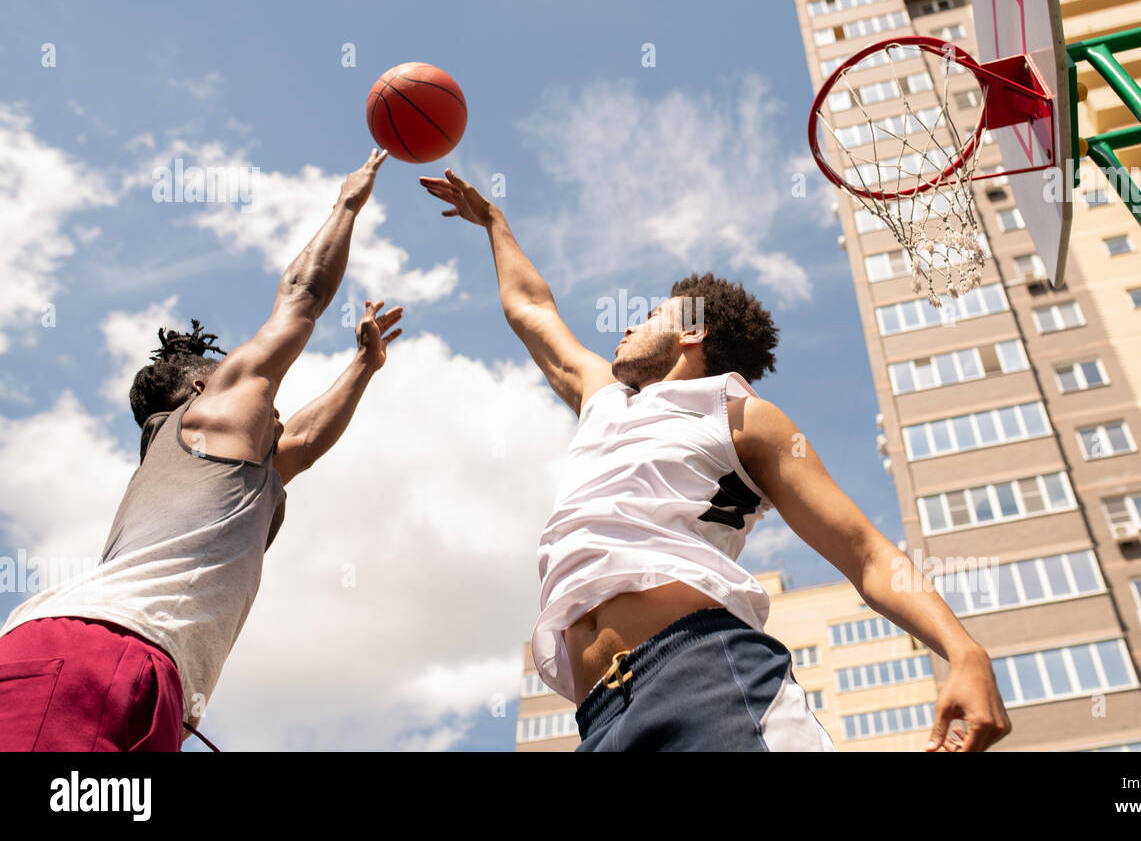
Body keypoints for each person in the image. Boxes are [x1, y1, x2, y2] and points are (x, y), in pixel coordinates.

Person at [422, 168, 1011, 752]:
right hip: (598, 717)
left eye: (651, 315)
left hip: (705, 675)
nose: (628, 324)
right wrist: (494, 222)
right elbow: (532, 309)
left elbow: (863, 551)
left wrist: (965, 651)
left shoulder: (739, 415)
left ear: (691, 332)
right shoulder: (604, 398)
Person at [0, 149, 401, 751]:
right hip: (95, 652)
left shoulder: (233, 473)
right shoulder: (214, 411)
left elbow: (306, 442)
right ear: (201, 388)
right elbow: (300, 298)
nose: (270, 410)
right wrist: (348, 202)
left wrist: (364, 366)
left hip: (142, 670)